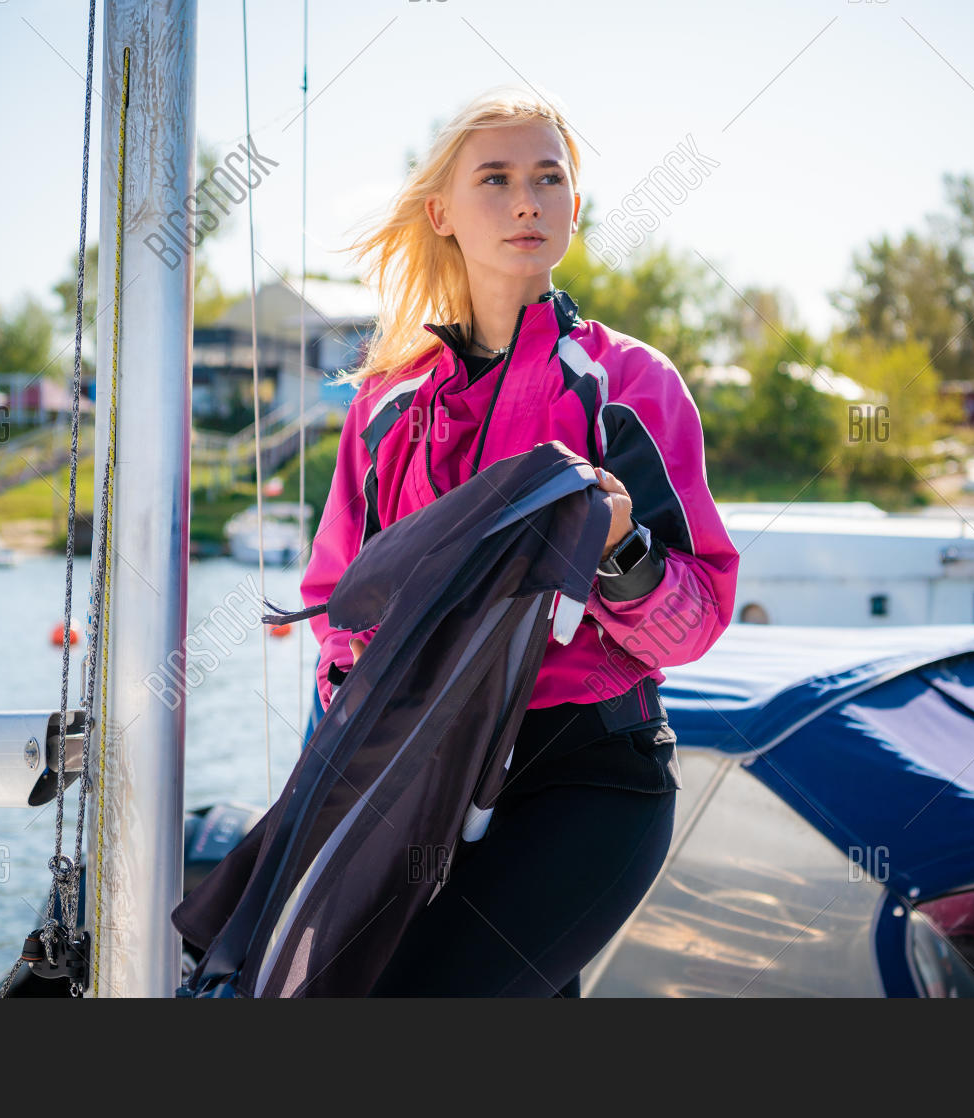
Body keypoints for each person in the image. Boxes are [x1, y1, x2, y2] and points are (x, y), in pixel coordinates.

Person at [298, 86, 739, 996]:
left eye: (549, 177)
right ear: (442, 212)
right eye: (494, 179)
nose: (528, 201)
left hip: (585, 777)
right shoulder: (384, 407)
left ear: (575, 203)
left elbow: (694, 625)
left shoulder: (629, 386)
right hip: (420, 785)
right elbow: (337, 605)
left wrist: (621, 555)